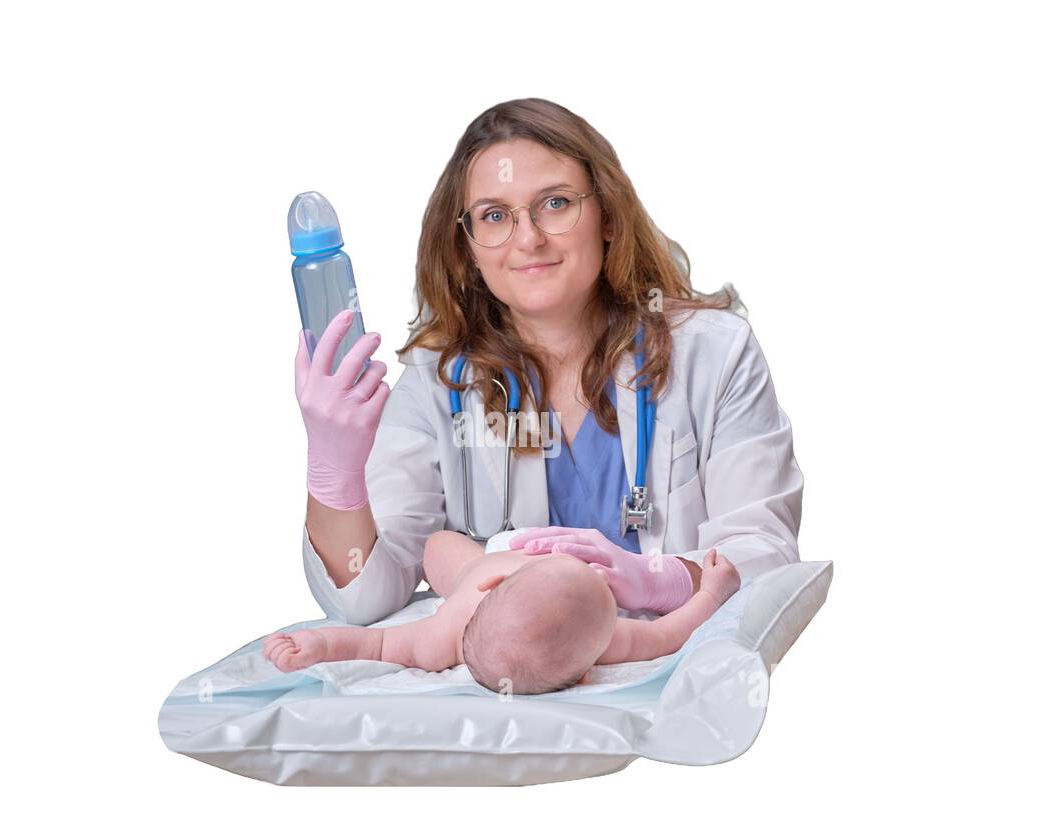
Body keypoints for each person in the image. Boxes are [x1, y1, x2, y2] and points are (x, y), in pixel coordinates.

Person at [295, 97, 803, 626]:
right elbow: (361, 597)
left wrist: (658, 579)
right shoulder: (437, 382)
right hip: (507, 695)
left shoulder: (714, 353)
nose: (529, 239)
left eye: (556, 204)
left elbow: (765, 554)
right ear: (468, 246)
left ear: (607, 215)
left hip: (672, 681)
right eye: (495, 216)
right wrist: (335, 472)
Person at [263, 530, 741, 695]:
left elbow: (381, 645)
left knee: (438, 548)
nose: (601, 580)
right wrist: (711, 595)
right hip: (549, 538)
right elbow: (669, 635)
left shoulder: (448, 627)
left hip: (486, 558)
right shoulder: (602, 638)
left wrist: (320, 644)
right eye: (605, 593)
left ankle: (468, 562)